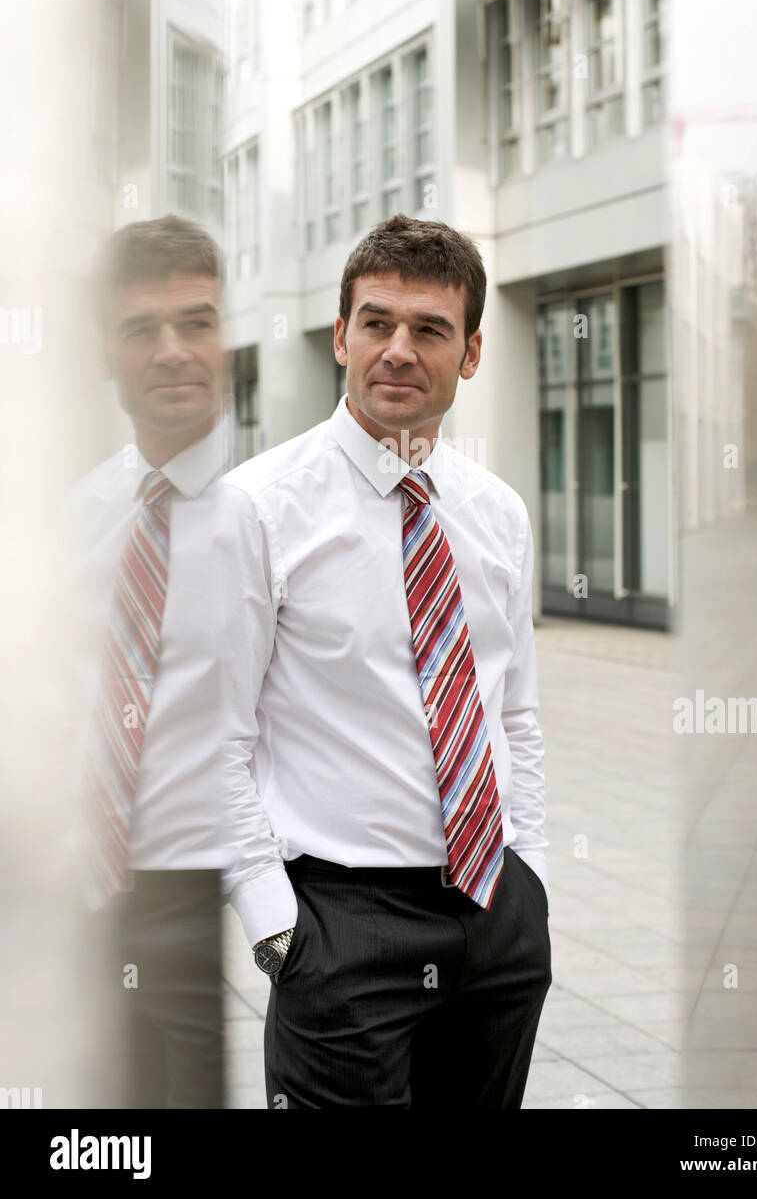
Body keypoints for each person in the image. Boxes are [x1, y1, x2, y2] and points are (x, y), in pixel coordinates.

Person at [221, 214, 552, 1109]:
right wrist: (274, 925)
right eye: (377, 323)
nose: (398, 350)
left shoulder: (497, 512)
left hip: (495, 919)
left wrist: (535, 881)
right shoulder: (255, 509)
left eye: (429, 329)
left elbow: (510, 709)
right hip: (340, 929)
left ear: (471, 353)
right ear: (340, 336)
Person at [63, 214, 235, 1108]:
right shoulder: (79, 517)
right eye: (141, 330)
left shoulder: (274, 516)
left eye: (196, 323)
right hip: (94, 903)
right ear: (107, 352)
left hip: (218, 909)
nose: (172, 352)